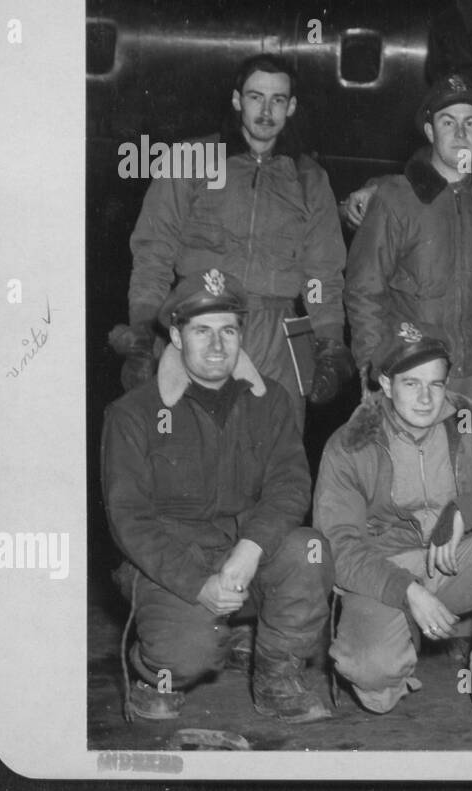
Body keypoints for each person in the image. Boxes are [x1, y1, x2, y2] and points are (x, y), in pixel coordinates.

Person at [101, 269, 335, 724]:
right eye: (201, 331)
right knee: (187, 656)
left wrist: (249, 551)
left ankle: (275, 672)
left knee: (308, 549)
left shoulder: (270, 401)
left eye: (228, 330)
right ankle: (156, 670)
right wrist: (196, 583)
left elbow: (289, 486)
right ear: (175, 334)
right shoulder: (134, 413)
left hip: (243, 555)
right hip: (169, 564)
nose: (217, 345)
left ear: (241, 334)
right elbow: (129, 521)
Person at [314, 327, 472, 718]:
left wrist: (467, 510)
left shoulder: (469, 422)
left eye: (436, 384)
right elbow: (338, 546)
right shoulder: (352, 443)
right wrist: (407, 592)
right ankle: (401, 640)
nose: (426, 399)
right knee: (374, 679)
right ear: (386, 384)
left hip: (455, 563)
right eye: (411, 384)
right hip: (384, 572)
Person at [117, 54, 352, 430]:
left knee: (274, 453)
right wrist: (143, 330)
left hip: (278, 332)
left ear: (291, 107)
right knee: (188, 449)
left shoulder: (310, 178)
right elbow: (154, 251)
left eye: (278, 100)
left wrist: (328, 342)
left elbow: (321, 273)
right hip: (200, 320)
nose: (266, 110)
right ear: (237, 100)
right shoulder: (189, 160)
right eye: (256, 97)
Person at [345, 75, 472, 416]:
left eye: (471, 123)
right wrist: (372, 371)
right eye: (448, 122)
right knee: (411, 467)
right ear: (430, 131)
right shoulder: (395, 200)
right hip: (413, 366)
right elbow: (364, 289)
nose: (460, 133)